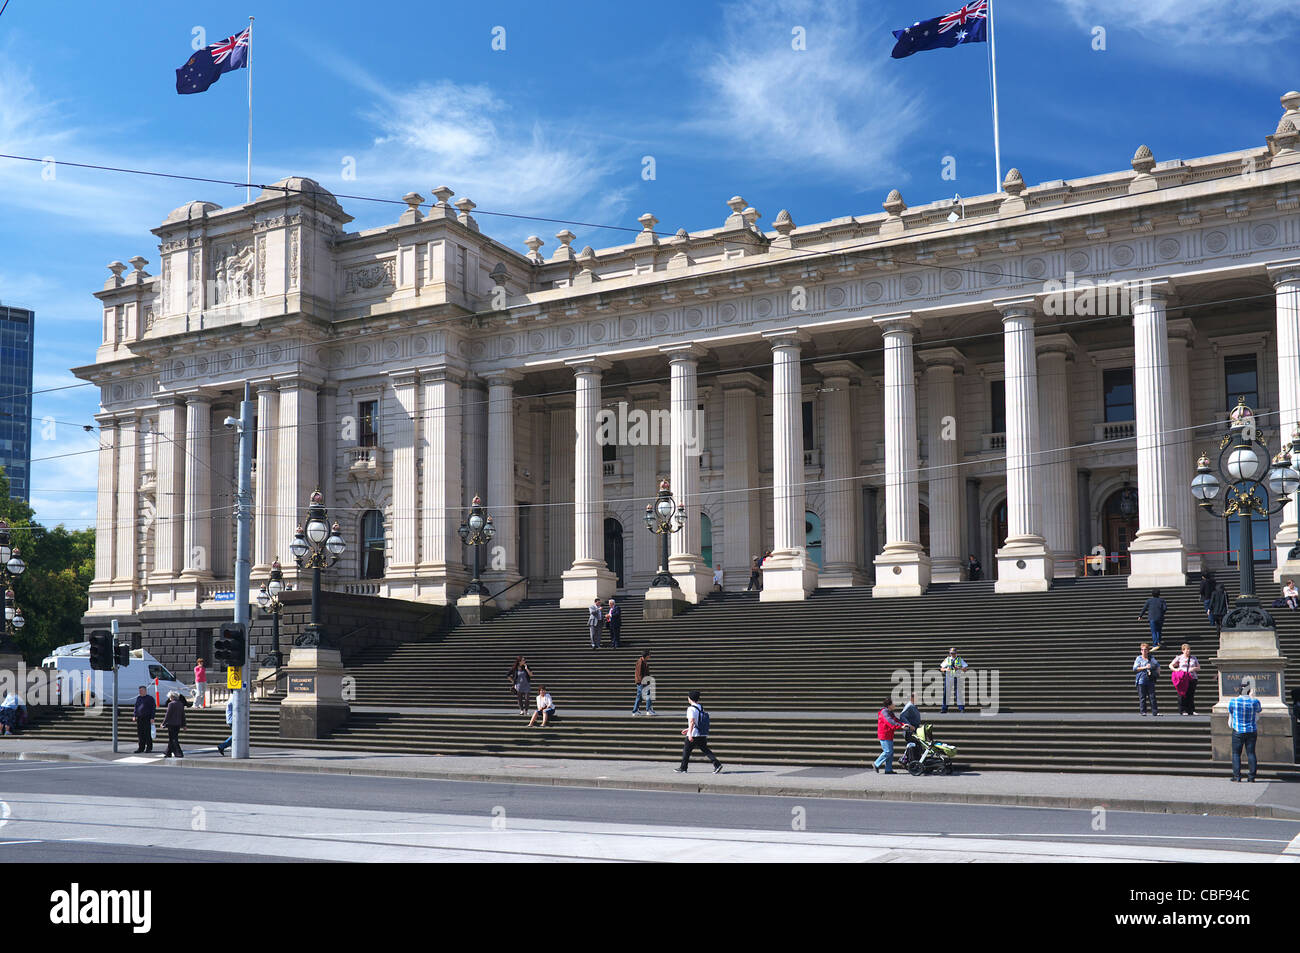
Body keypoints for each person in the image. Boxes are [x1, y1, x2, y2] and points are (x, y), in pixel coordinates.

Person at [675, 690, 723, 774]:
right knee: (705, 750)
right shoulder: (700, 707)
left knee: (686, 750)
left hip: (694, 734)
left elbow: (692, 721)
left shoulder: (690, 709)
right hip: (701, 732)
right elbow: (698, 720)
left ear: (690, 698)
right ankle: (717, 764)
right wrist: (688, 729)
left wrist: (689, 734)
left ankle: (683, 768)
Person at [1227, 679, 1262, 782]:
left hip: (1238, 730)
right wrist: (1252, 696)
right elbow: (1259, 710)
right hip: (1251, 730)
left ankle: (1237, 776)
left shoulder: (1233, 701)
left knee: (1236, 753)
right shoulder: (1255, 701)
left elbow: (1231, 712)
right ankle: (1251, 777)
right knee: (1251, 753)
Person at [874, 699, 906, 774]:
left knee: (890, 753)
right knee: (888, 751)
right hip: (884, 734)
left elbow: (895, 720)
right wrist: (901, 726)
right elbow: (890, 722)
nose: (895, 705)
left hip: (888, 734)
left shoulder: (889, 712)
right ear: (889, 705)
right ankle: (876, 763)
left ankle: (888, 769)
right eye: (893, 704)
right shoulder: (884, 712)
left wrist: (903, 724)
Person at [1169, 643, 1201, 716]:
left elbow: (1199, 667)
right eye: (1187, 650)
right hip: (1183, 678)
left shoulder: (1194, 658)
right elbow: (1170, 665)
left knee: (1191, 694)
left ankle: (1191, 710)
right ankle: (1183, 710)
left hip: (1192, 677)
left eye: (1189, 649)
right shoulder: (1179, 657)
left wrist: (1194, 668)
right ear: (1183, 650)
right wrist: (1176, 669)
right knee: (1182, 694)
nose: (1188, 651)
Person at [161, 690, 191, 759]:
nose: (169, 699)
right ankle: (168, 752)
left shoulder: (171, 704)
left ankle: (178, 753)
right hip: (178, 724)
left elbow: (168, 715)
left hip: (171, 724)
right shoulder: (180, 704)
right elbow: (182, 715)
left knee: (173, 739)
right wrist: (184, 725)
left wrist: (163, 723)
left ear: (172, 697)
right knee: (172, 738)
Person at [1133, 642, 1159, 716]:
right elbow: (1135, 668)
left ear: (1148, 650)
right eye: (1142, 650)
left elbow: (1157, 665)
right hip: (1141, 680)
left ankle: (1155, 712)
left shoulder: (1151, 658)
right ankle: (1143, 711)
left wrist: (1157, 674)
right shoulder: (1139, 658)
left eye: (1145, 650)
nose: (1143, 651)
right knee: (1142, 697)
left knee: (1152, 696)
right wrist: (1145, 667)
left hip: (1150, 679)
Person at [940, 648, 968, 713]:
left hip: (957, 677)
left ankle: (961, 708)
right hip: (949, 677)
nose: (952, 654)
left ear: (956, 653)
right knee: (946, 693)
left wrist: (958, 668)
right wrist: (946, 669)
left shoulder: (959, 659)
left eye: (954, 653)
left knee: (958, 693)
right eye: (951, 653)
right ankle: (944, 708)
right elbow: (941, 668)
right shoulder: (947, 659)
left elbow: (965, 669)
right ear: (950, 653)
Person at [131, 685, 156, 753]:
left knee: (147, 733)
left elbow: (153, 708)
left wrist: (152, 717)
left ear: (145, 691)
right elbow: (136, 707)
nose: (140, 692)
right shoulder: (138, 698)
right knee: (140, 734)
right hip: (140, 718)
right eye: (139, 691)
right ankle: (141, 748)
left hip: (147, 718)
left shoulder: (150, 698)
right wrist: (134, 715)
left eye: (141, 690)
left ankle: (149, 748)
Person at [632, 649, 656, 716]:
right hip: (642, 682)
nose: (650, 656)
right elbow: (639, 674)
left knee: (640, 696)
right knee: (645, 695)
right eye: (649, 655)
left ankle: (636, 710)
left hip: (643, 681)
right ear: (646, 655)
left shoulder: (643, 661)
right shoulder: (640, 662)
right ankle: (647, 710)